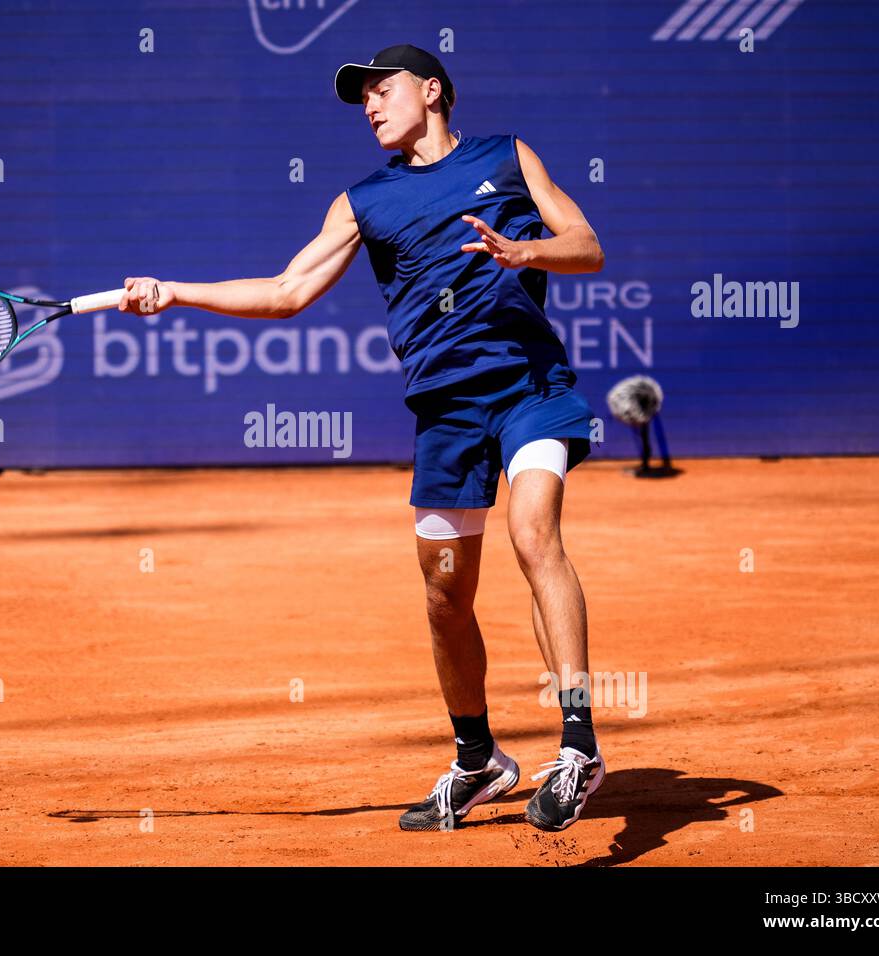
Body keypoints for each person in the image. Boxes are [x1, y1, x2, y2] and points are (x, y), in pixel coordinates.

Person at [118, 44, 606, 833]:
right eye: (364, 98)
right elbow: (286, 291)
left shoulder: (505, 157)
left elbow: (587, 243)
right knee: (446, 595)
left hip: (528, 390)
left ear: (433, 91)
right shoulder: (363, 201)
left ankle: (578, 744)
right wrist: (175, 292)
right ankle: (479, 759)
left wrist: (526, 252)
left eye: (384, 90)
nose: (371, 106)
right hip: (446, 418)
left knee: (534, 532)